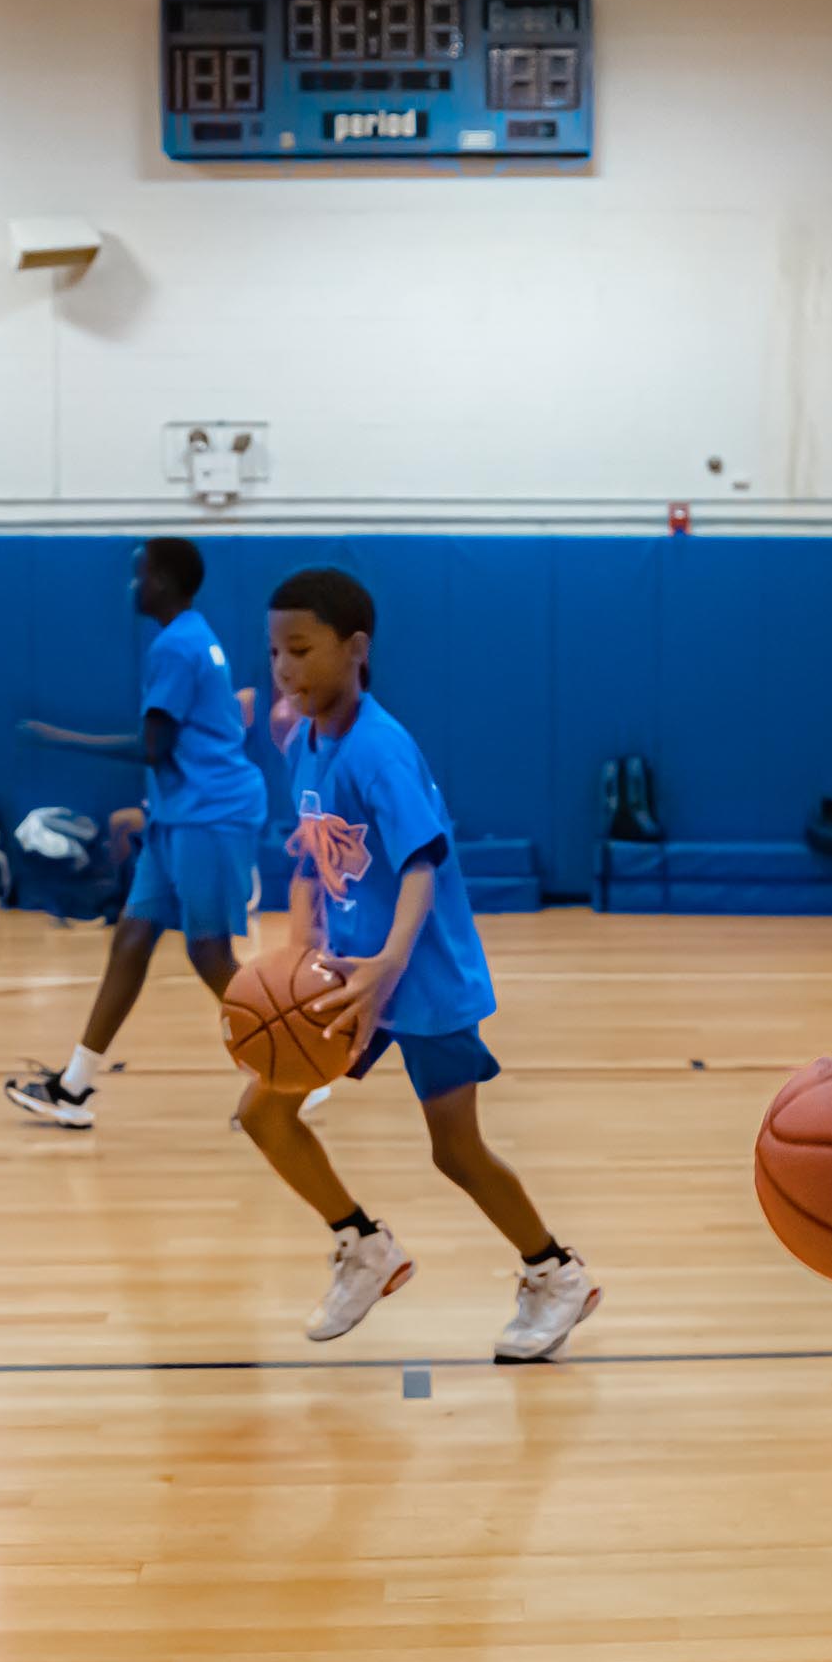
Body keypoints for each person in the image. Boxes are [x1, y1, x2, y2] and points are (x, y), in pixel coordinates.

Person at [237, 567, 600, 1362]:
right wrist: (301, 956)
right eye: (273, 653)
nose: (284, 669)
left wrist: (387, 964)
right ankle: (365, 1245)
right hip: (352, 974)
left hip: (422, 983)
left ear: (355, 649)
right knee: (263, 1114)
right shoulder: (306, 743)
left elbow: (421, 866)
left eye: (300, 649)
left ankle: (555, 1273)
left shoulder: (380, 750)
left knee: (456, 1152)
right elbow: (313, 861)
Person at [5, 538, 267, 1129]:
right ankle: (74, 1087)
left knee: (208, 952)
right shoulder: (193, 635)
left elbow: (154, 747)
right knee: (131, 937)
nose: (132, 586)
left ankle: (285, 1072)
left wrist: (58, 737)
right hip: (179, 813)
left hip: (210, 813)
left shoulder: (178, 645)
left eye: (140, 575)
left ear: (167, 581)